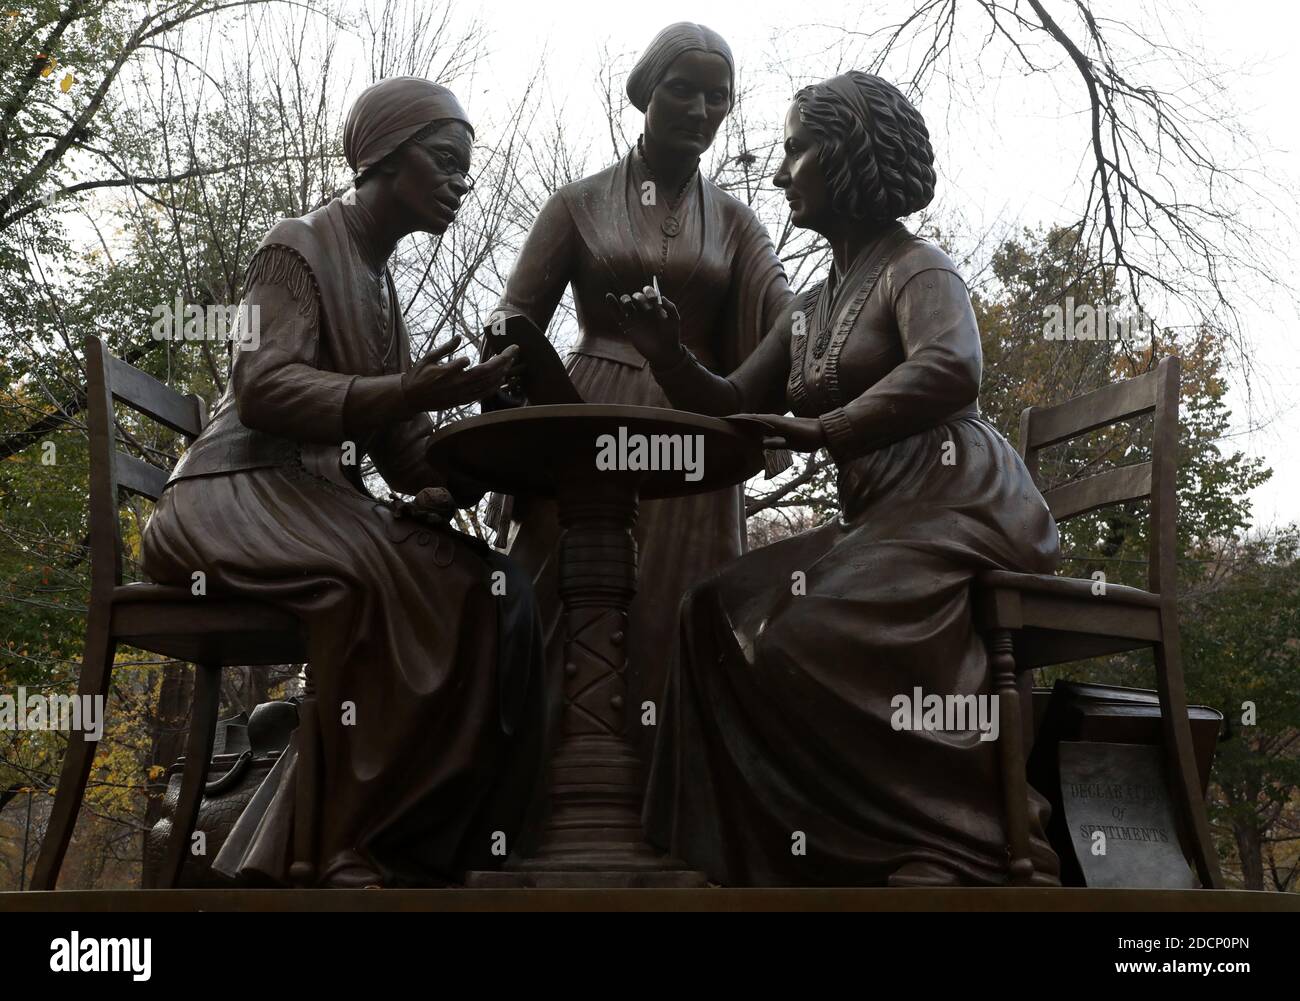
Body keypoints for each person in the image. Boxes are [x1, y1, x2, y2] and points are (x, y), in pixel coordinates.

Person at [620, 71, 1063, 886]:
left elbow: (954, 366)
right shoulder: (812, 304)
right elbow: (728, 401)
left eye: (797, 149)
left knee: (802, 627)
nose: (781, 171)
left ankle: (958, 839)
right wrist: (666, 353)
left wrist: (828, 428)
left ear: (850, 153)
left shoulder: (919, 268)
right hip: (885, 519)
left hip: (960, 503)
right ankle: (782, 852)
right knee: (711, 611)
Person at [141, 77, 543, 888]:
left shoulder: (384, 292)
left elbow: (408, 456)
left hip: (312, 501)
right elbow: (263, 386)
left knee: (483, 583)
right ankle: (331, 846)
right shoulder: (297, 246)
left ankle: (414, 839)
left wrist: (487, 434)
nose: (460, 182)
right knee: (369, 577)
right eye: (444, 161)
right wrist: (408, 392)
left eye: (467, 167)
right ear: (384, 161)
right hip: (232, 493)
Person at [492, 22, 792, 772]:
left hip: (694, 439)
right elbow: (510, 319)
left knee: (679, 609)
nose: (699, 110)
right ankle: (542, 798)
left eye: (716, 98)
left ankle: (668, 803)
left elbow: (789, 320)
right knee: (552, 596)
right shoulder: (578, 203)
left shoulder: (737, 223)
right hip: (587, 416)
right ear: (646, 92)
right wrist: (520, 426)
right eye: (681, 90)